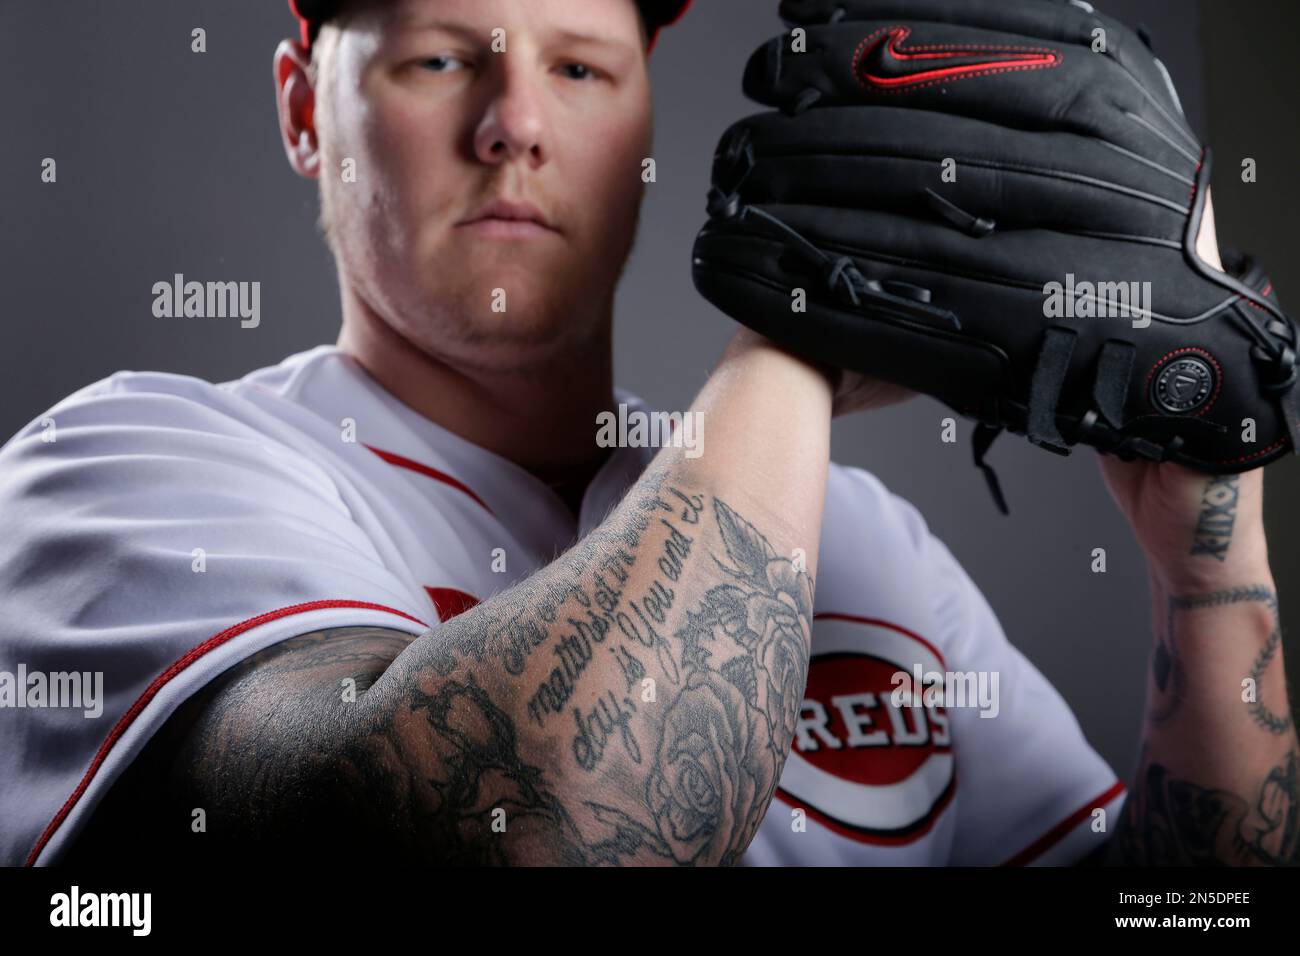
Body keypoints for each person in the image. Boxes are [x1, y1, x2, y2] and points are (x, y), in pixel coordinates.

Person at [0, 0, 1293, 867]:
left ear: (642, 128)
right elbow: (544, 836)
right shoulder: (125, 476)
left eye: (579, 67)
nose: (516, 122)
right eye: (443, 56)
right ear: (301, 109)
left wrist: (1210, 565)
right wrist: (807, 316)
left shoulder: (863, 542)